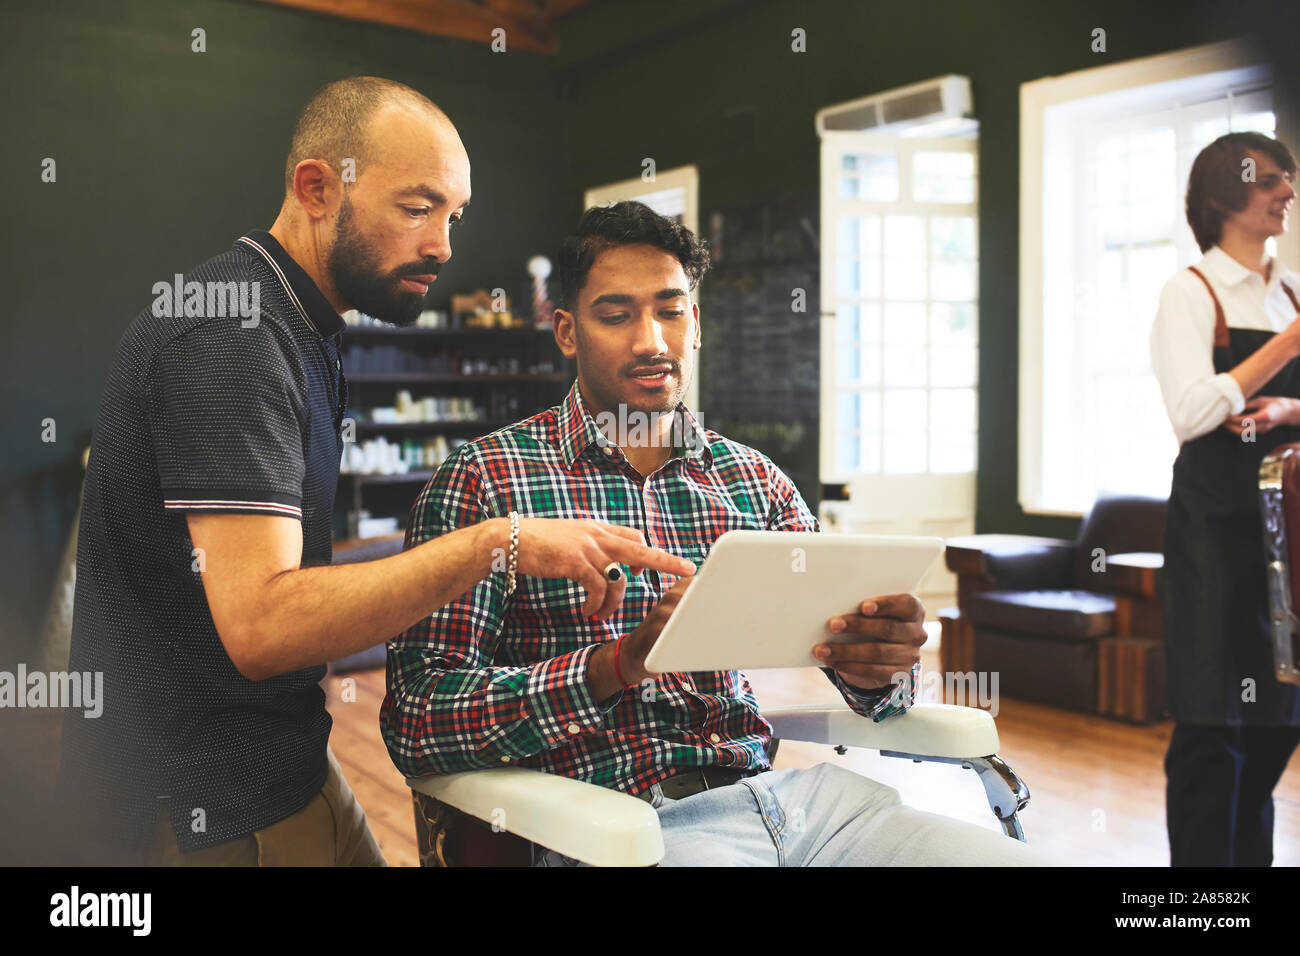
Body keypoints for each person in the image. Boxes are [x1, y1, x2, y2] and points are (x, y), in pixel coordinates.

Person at [58, 79, 691, 867]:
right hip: (204, 808)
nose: (444, 245)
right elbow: (263, 626)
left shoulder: (298, 328)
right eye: (418, 207)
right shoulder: (231, 335)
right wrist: (499, 542)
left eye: (454, 216)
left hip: (286, 767)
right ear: (317, 188)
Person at [382, 200, 1059, 865]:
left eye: (670, 311)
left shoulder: (754, 484)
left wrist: (879, 666)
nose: (652, 340)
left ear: (696, 323)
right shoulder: (486, 483)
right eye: (617, 315)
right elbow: (416, 721)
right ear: (566, 331)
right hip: (626, 825)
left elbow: (869, 683)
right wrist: (616, 665)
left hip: (800, 806)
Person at [1150, 131, 1300, 866]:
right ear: (1223, 198)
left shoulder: (1294, 289)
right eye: (1272, 180)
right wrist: (1288, 344)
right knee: (1214, 724)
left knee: (1279, 718)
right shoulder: (1190, 291)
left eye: (1289, 179)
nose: (1288, 193)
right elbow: (1191, 412)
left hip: (1291, 538)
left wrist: (1284, 412)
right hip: (1215, 536)